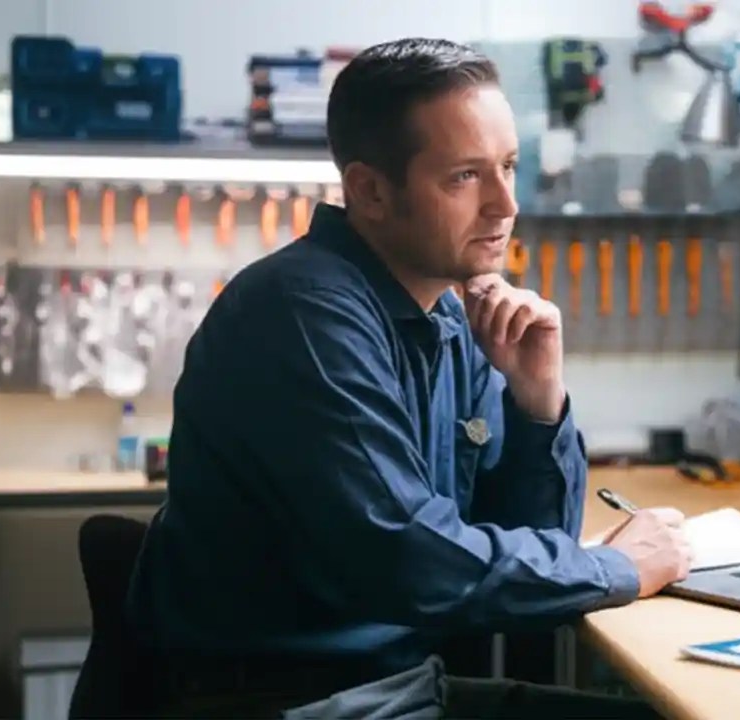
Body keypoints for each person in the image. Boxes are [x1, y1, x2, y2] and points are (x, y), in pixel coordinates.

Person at [126, 37, 692, 718]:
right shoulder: (304, 315)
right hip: (288, 702)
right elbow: (411, 563)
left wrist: (537, 401)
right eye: (464, 177)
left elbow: (532, 545)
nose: (504, 204)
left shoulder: (452, 322)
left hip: (396, 690)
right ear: (369, 190)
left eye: (509, 166)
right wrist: (620, 567)